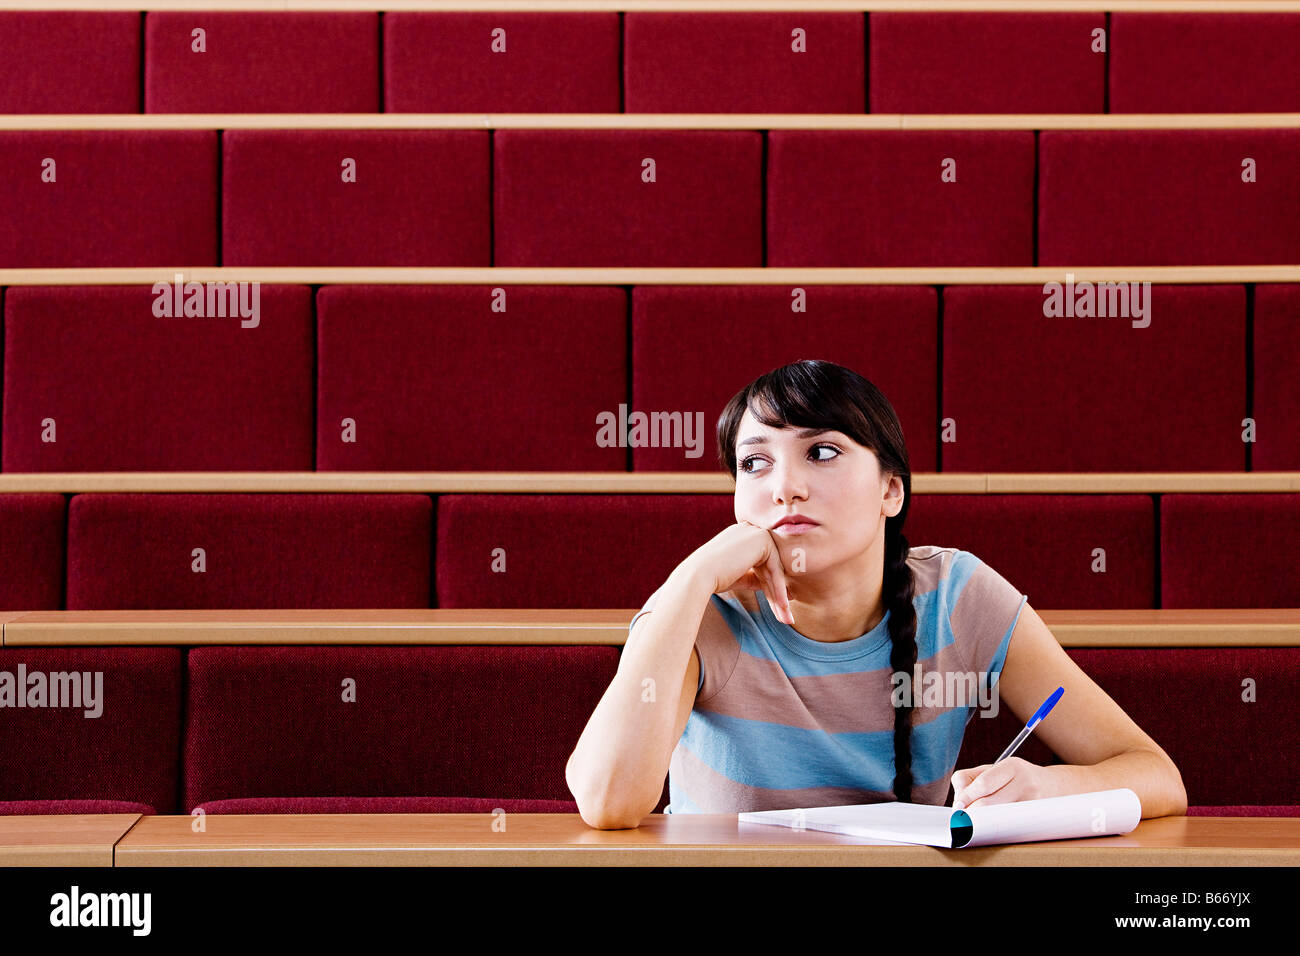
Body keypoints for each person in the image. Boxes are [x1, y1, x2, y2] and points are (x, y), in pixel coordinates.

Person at [566, 359, 1186, 828]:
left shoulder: (959, 598)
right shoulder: (701, 612)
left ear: (891, 491)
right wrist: (694, 577)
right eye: (754, 463)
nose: (785, 488)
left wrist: (1052, 787)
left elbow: (1156, 775)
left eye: (822, 452)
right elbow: (607, 800)